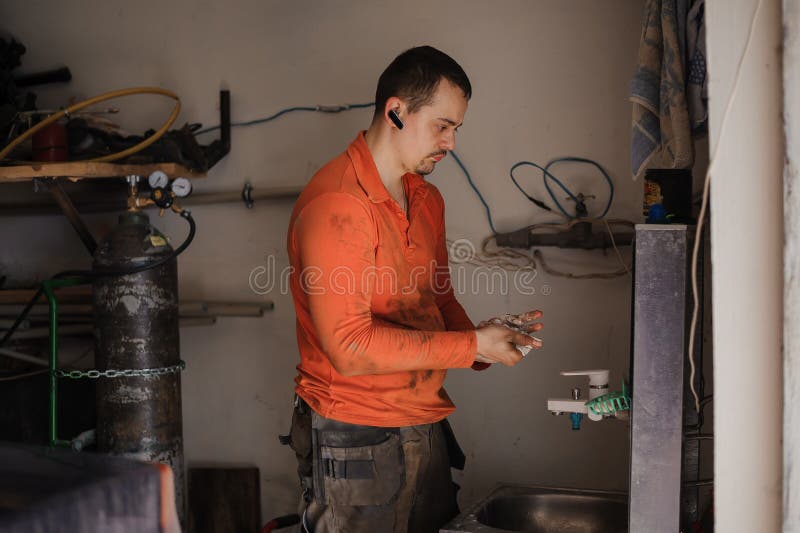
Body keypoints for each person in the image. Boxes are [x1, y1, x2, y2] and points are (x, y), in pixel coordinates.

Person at [283, 45, 544, 533]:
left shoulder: (426, 197)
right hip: (355, 432)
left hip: (422, 421)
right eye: (442, 126)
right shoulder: (339, 203)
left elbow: (436, 297)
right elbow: (350, 347)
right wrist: (468, 347)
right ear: (396, 112)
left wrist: (483, 339)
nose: (451, 143)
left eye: (456, 130)